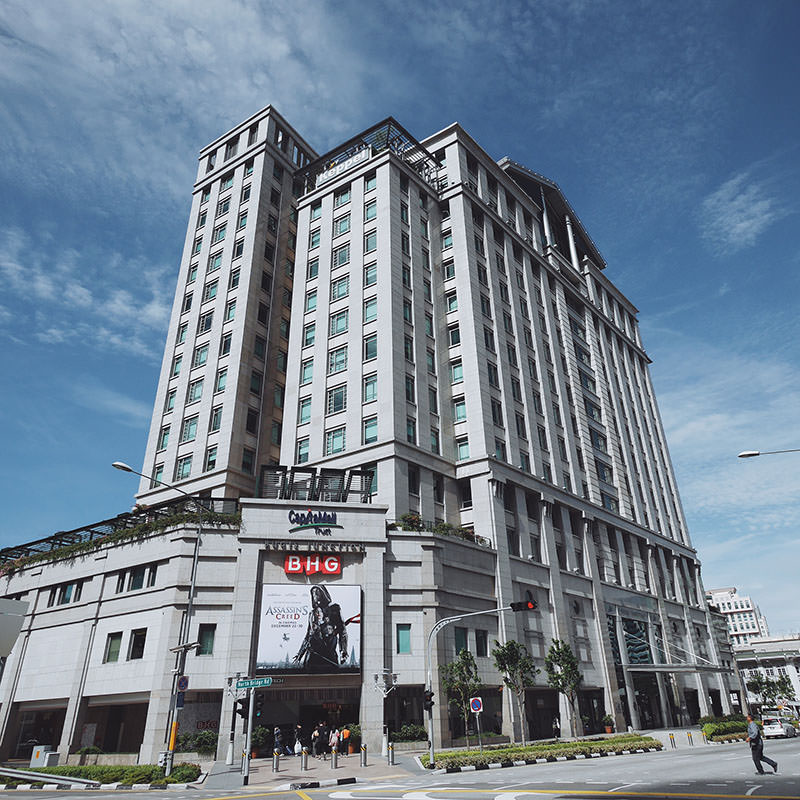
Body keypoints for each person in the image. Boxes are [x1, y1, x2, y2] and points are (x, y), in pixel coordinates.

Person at [293, 586, 349, 671]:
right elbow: (308, 636)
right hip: (312, 656)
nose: (315, 596)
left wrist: (343, 651)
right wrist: (300, 654)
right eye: (313, 594)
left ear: (323, 594)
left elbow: (342, 631)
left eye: (317, 593)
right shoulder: (312, 614)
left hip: (329, 654)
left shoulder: (334, 609)